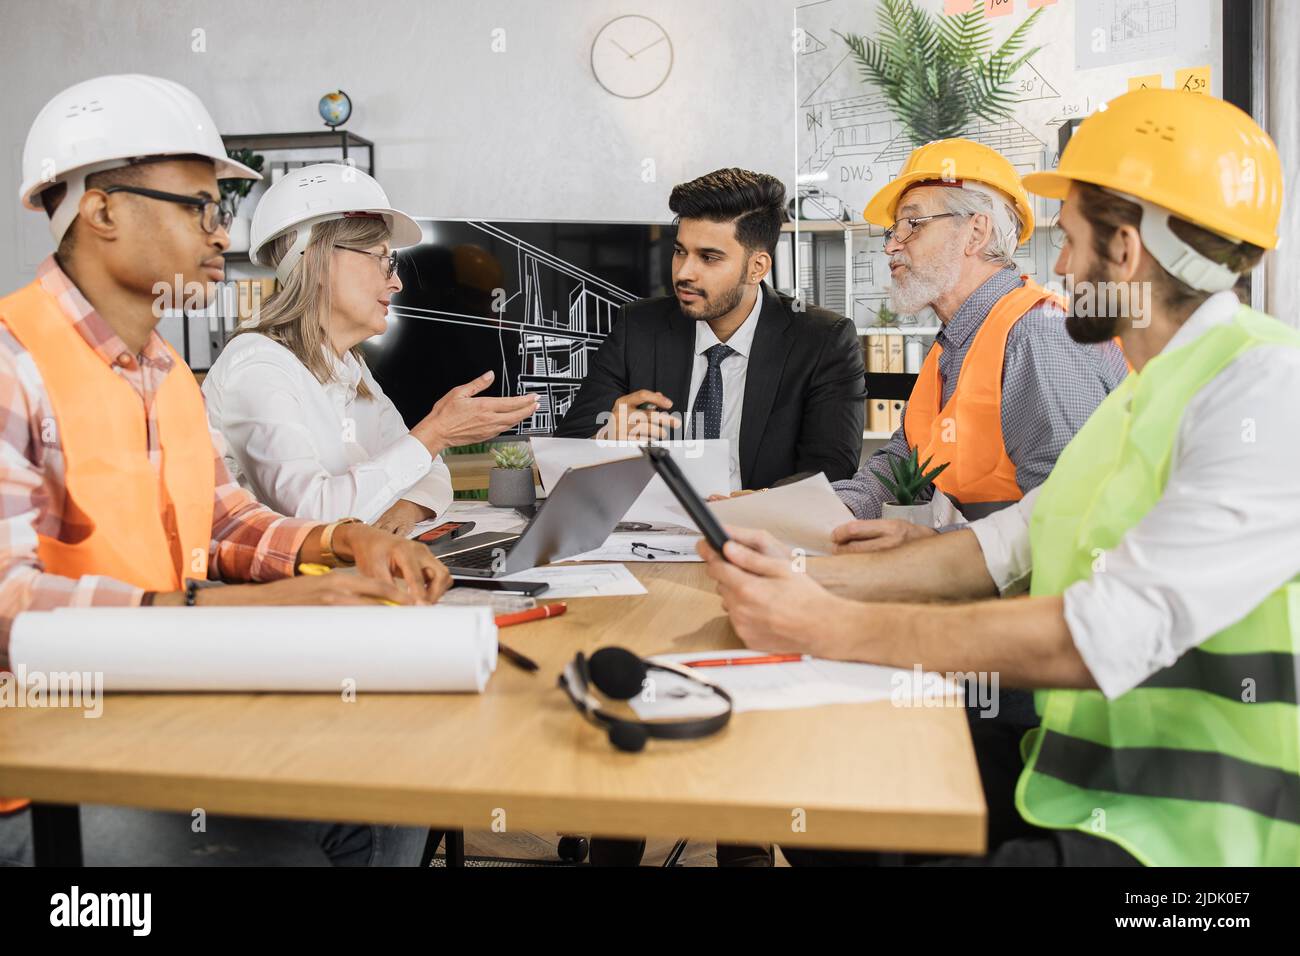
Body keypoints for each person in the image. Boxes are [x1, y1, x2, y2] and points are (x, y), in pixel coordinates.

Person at [700, 88, 1299, 867]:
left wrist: (827, 624)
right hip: (1080, 788)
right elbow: (995, 548)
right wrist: (802, 574)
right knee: (833, 809)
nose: (1059, 263)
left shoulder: (1264, 386)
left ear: (1125, 251)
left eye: (1072, 240)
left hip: (1195, 844)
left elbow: (1104, 630)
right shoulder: (1144, 395)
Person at [0, 74, 449, 866]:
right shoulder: (14, 364)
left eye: (224, 208)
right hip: (43, 763)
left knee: (399, 792)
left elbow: (226, 520)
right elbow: (10, 606)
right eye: (200, 207)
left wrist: (344, 541)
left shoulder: (166, 370)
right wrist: (230, 612)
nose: (222, 233)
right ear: (101, 210)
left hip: (160, 712)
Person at [203, 165, 538, 536]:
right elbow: (311, 516)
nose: (395, 282)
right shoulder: (257, 367)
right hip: (287, 589)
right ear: (315, 259)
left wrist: (404, 511)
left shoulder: (349, 366)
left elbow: (432, 475)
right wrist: (436, 433)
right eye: (381, 258)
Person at [830, 139, 1126, 554]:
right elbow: (906, 460)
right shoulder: (954, 343)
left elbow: (1070, 512)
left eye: (912, 224)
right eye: (893, 229)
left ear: (976, 231)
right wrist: (821, 513)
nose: (892, 245)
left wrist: (933, 546)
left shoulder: (1036, 334)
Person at [554, 167, 865, 492]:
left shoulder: (823, 340)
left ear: (756, 267)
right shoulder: (639, 328)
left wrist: (755, 504)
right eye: (680, 252)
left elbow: (831, 474)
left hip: (761, 531)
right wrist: (605, 438)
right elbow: (564, 453)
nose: (684, 272)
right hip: (649, 528)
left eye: (709, 258)